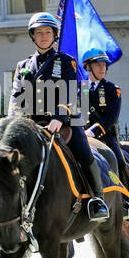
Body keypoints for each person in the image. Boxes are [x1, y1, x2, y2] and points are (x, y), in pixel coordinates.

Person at [9, 12, 109, 222]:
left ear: (54, 35)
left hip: (64, 123)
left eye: (47, 32)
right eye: (39, 33)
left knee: (82, 150)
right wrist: (15, 122)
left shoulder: (66, 62)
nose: (43, 36)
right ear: (32, 36)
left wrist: (59, 117)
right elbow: (16, 97)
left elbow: (71, 92)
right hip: (32, 125)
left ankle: (97, 199)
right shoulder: (23, 66)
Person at [83, 47, 129, 223]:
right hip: (82, 136)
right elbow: (77, 113)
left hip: (105, 137)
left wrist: (92, 131)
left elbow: (111, 117)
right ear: (88, 67)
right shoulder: (79, 90)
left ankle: (128, 202)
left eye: (104, 64)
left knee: (120, 162)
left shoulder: (113, 89)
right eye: (97, 65)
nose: (102, 68)